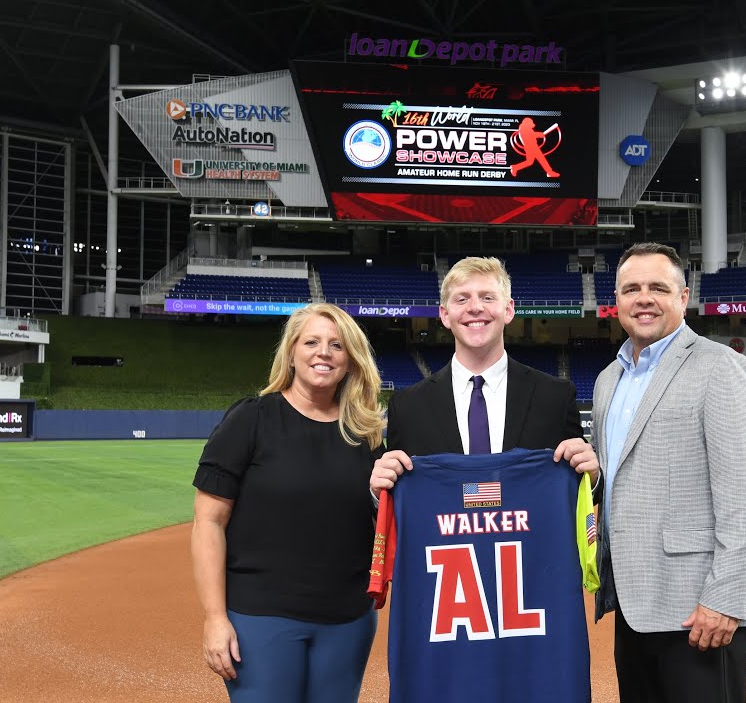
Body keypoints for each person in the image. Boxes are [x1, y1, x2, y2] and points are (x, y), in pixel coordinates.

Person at [591, 242, 746, 703]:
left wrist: (724, 598)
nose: (644, 298)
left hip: (699, 610)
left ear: (683, 296)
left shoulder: (721, 367)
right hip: (633, 607)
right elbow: (616, 481)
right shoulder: (608, 379)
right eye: (631, 289)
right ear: (616, 301)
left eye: (658, 287)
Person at [190, 303, 386, 703]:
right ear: (291, 353)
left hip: (347, 620)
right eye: (311, 342)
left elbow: (382, 519)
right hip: (261, 618)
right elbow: (208, 522)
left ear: (350, 360)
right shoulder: (251, 419)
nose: (323, 352)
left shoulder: (366, 434)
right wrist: (214, 617)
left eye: (337, 345)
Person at [369, 255, 598, 486]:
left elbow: (579, 489)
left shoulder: (556, 398)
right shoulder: (407, 407)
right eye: (462, 299)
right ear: (445, 315)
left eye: (487, 297)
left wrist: (592, 478)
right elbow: (400, 495)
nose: (475, 307)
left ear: (508, 310)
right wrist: (380, 494)